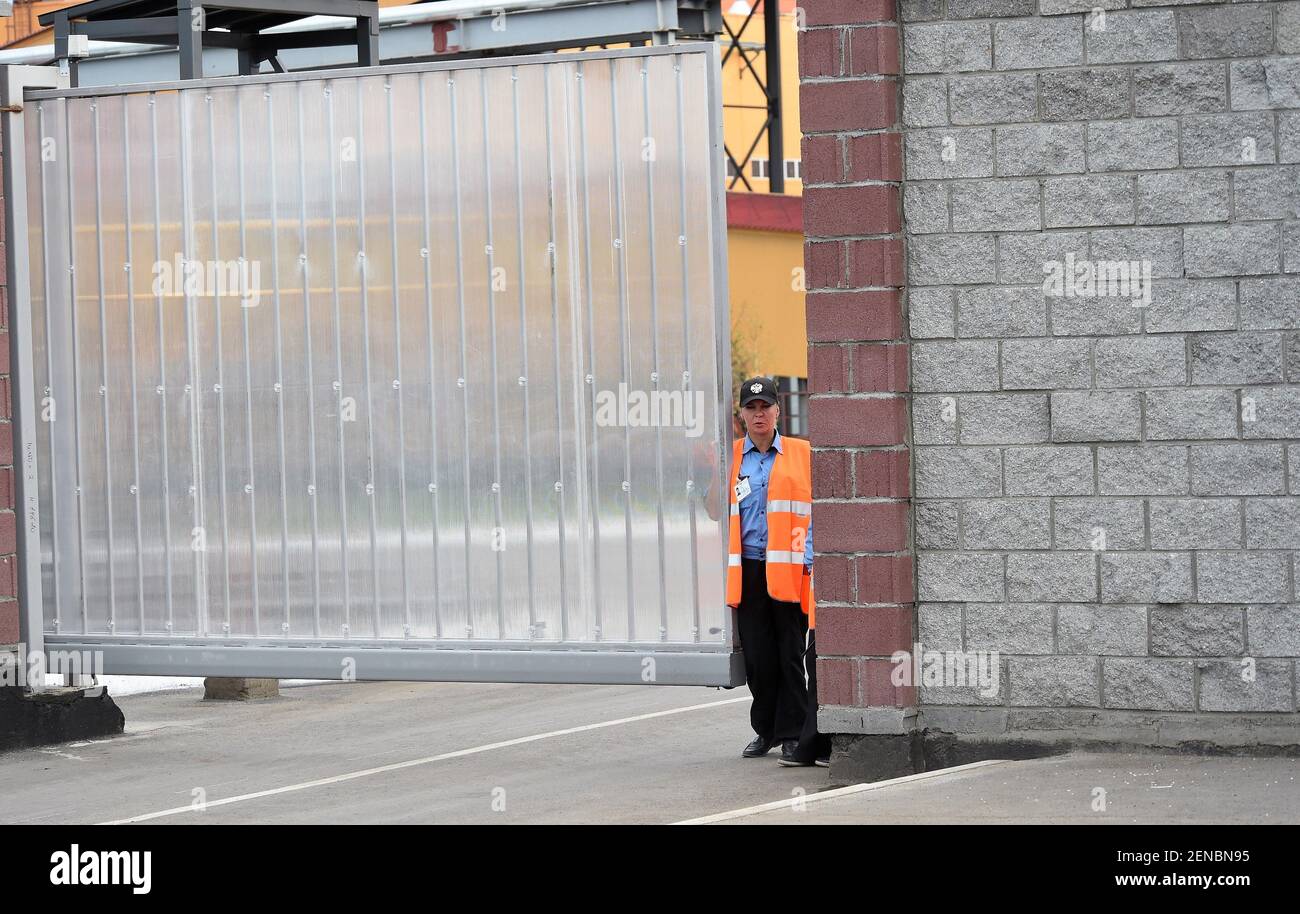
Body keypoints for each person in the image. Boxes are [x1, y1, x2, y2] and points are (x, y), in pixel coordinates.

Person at [704, 376, 823, 765]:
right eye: (751, 408)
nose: (759, 414)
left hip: (788, 568)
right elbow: (711, 510)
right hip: (750, 568)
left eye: (765, 407)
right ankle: (766, 730)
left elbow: (818, 507)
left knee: (789, 653)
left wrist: (808, 557)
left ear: (777, 412)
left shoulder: (801, 454)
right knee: (757, 657)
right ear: (741, 415)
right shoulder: (732, 456)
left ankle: (793, 733)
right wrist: (711, 472)